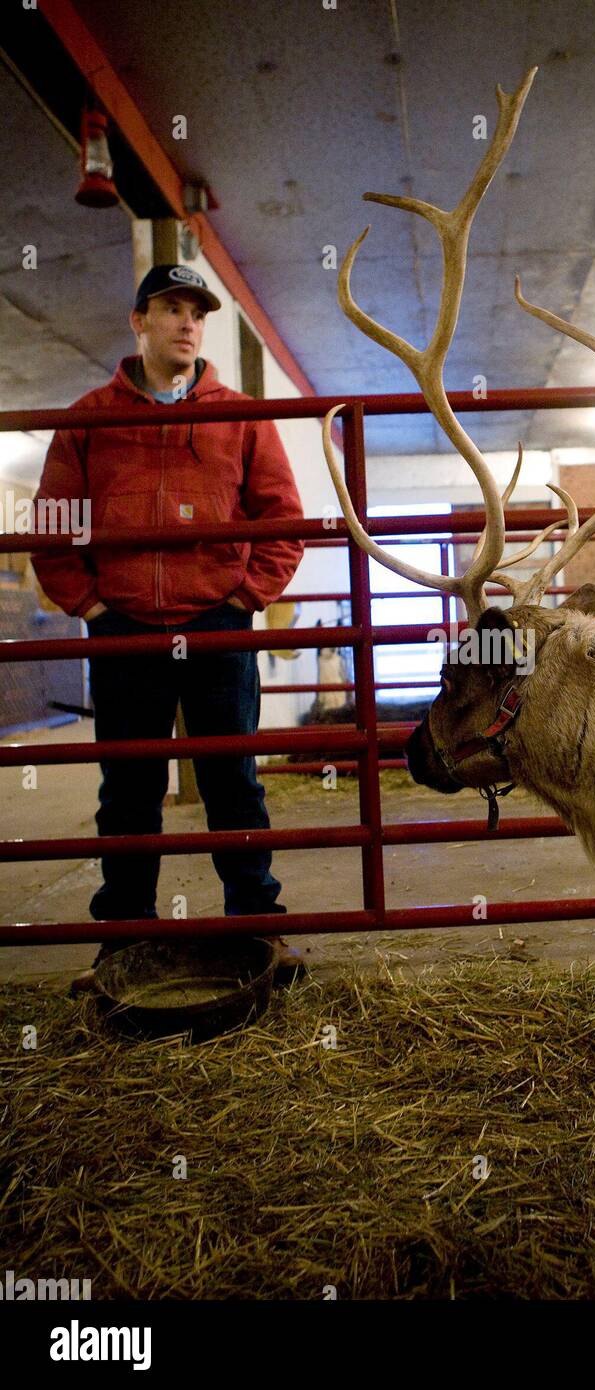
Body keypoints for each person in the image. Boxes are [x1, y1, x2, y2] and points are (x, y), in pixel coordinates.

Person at [31, 264, 305, 988]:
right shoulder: (88, 419)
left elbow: (283, 521)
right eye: (172, 308)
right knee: (127, 790)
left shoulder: (239, 416)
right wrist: (90, 606)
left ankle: (261, 930)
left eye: (197, 312)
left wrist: (247, 598)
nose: (187, 322)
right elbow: (52, 530)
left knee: (233, 783)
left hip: (217, 624)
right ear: (139, 320)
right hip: (124, 629)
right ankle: (122, 943)